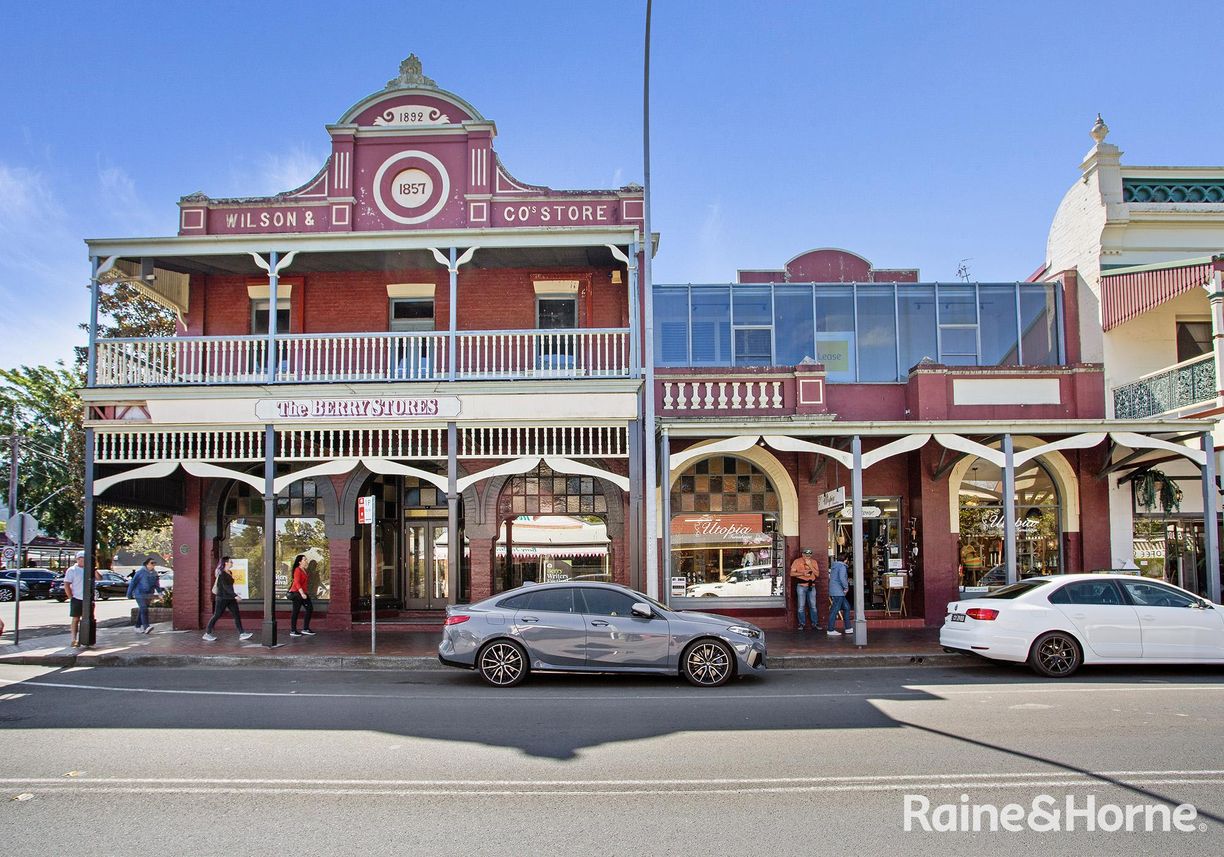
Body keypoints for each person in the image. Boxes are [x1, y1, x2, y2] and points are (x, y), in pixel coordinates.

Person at [203, 557, 253, 642]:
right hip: (222, 598)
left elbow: (230, 587)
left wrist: (233, 596)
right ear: (226, 563)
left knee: (236, 615)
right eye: (231, 562)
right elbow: (226, 587)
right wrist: (235, 595)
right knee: (217, 615)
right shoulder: (222, 574)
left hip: (230, 598)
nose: (232, 563)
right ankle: (207, 633)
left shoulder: (229, 572)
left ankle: (242, 633)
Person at [63, 551, 101, 648]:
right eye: (82, 558)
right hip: (77, 598)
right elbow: (67, 584)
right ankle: (74, 639)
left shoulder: (89, 569)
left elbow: (99, 578)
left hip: (88, 598)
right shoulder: (72, 570)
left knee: (89, 618)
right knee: (76, 618)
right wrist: (71, 597)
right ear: (78, 559)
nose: (83, 561)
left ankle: (86, 638)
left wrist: (94, 569)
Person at [126, 557, 164, 634]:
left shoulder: (155, 573)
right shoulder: (140, 572)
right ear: (147, 564)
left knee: (143, 609)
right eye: (151, 563)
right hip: (139, 593)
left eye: (154, 563)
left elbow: (156, 584)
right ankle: (146, 627)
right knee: (144, 609)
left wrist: (160, 593)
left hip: (149, 594)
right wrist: (129, 594)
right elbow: (133, 583)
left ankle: (137, 626)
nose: (153, 565)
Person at [789, 547, 820, 631]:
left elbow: (817, 574)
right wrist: (803, 573)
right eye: (806, 555)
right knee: (801, 606)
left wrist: (810, 565)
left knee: (813, 606)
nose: (808, 557)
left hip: (811, 585)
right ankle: (802, 623)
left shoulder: (814, 562)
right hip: (801, 585)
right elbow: (791, 573)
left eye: (809, 556)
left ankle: (815, 623)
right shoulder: (797, 561)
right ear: (802, 554)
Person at [287, 553, 315, 638]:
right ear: (300, 562)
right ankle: (293, 630)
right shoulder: (297, 570)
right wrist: (302, 593)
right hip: (297, 593)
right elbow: (297, 582)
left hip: (303, 593)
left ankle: (305, 629)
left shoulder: (304, 570)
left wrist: (304, 593)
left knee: (309, 608)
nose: (306, 561)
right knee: (296, 611)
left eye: (306, 559)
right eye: (304, 559)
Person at [827, 553, 852, 636]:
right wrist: (846, 587)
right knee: (834, 609)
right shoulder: (842, 567)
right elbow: (842, 578)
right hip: (838, 591)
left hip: (834, 590)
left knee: (847, 607)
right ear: (846, 560)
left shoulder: (834, 566)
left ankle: (848, 628)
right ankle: (830, 629)